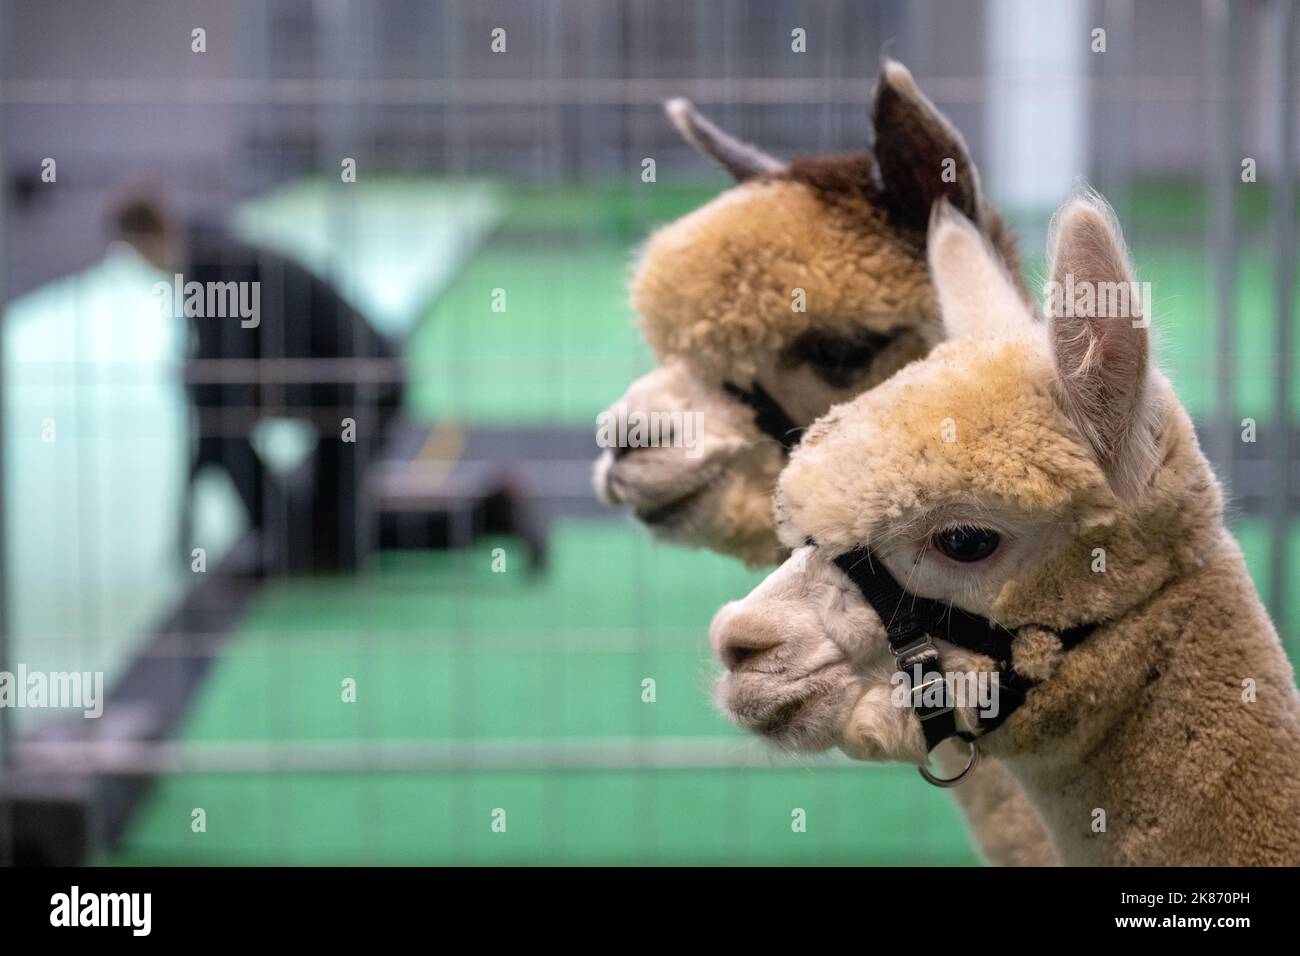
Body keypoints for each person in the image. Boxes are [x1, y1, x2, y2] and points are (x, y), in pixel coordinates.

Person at [109, 188, 405, 574]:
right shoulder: (209, 256)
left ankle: (485, 515)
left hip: (363, 385)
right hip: (354, 380)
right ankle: (292, 539)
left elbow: (220, 366)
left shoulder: (211, 261)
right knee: (330, 532)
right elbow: (221, 360)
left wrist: (208, 447)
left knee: (334, 537)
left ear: (146, 239)